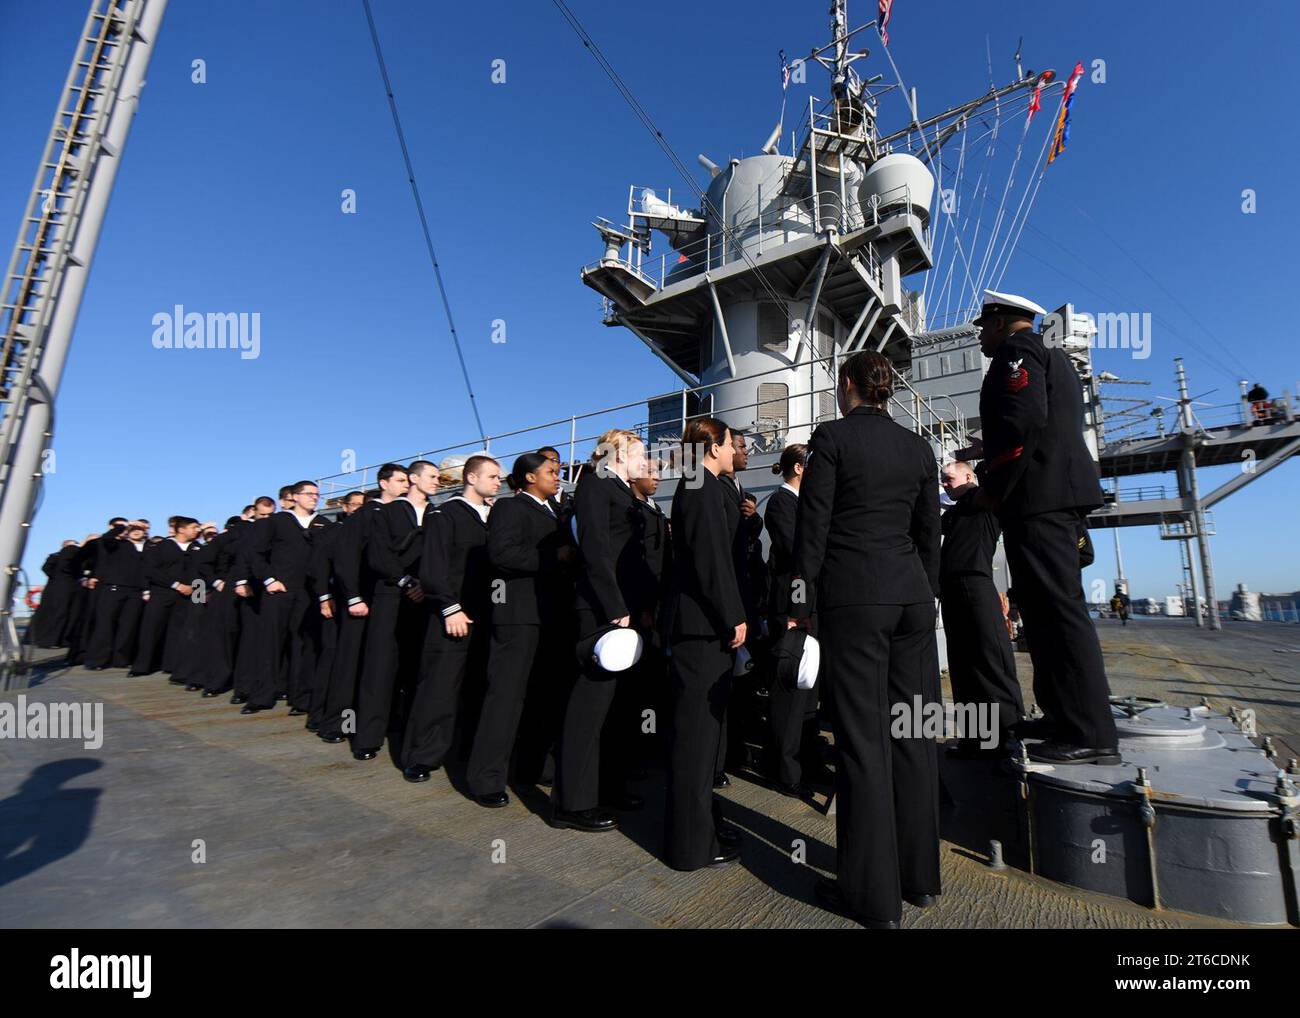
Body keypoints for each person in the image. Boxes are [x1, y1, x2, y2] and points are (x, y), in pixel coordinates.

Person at [789, 349, 942, 929]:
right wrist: (923, 594)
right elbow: (930, 531)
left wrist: (801, 608)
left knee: (861, 740)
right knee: (915, 733)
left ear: (848, 384)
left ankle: (872, 899)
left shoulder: (830, 438)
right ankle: (920, 880)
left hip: (856, 598)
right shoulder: (918, 447)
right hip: (911, 598)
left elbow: (814, 529)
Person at [964, 289, 1118, 765]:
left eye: (982, 329)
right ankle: (1062, 717)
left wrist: (994, 481)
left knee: (1058, 612)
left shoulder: (1016, 352)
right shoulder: (1056, 360)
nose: (981, 338)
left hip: (1038, 501)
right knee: (1045, 611)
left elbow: (1024, 422)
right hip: (1053, 498)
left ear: (1000, 322)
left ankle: (1091, 732)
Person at [553, 429, 652, 832]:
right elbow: (594, 547)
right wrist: (614, 607)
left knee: (616, 709)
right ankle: (571, 804)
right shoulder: (595, 482)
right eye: (640, 454)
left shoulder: (622, 490)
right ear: (619, 452)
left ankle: (608, 787)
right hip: (601, 611)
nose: (644, 463)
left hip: (624, 610)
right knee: (588, 708)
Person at [465, 452, 574, 808]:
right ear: (529, 477)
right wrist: (552, 558)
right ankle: (485, 778)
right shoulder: (511, 509)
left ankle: (533, 767)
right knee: (505, 698)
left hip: (547, 617)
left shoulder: (554, 512)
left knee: (541, 698)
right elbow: (502, 553)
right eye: (551, 471)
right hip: (517, 616)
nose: (557, 476)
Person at [665, 418, 746, 870]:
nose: (737, 448)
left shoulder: (711, 485)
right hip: (701, 626)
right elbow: (710, 557)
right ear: (713, 447)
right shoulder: (698, 484)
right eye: (732, 442)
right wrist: (732, 613)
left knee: (705, 739)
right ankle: (690, 847)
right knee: (695, 741)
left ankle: (703, 827)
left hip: (707, 624)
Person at [402, 455, 499, 781]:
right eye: (493, 476)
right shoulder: (446, 514)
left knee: (476, 687)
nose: (499, 482)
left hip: (486, 615)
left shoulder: (493, 516)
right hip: (452, 615)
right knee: (439, 687)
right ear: (471, 477)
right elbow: (433, 567)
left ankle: (461, 750)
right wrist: (449, 607)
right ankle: (421, 756)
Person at [316, 465, 409, 744]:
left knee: (381, 664)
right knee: (350, 662)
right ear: (384, 483)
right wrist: (353, 596)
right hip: (362, 600)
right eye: (401, 480)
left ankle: (383, 719)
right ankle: (336, 724)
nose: (406, 484)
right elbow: (345, 558)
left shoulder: (400, 514)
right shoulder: (366, 514)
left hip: (387, 601)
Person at [352, 461, 437, 758]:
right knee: (380, 668)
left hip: (423, 599)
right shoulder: (386, 512)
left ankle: (407, 732)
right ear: (414, 479)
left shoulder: (437, 513)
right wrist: (404, 580)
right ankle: (368, 737)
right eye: (433, 477)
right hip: (390, 595)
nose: (438, 481)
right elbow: (378, 554)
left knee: (415, 668)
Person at [938, 460, 1023, 755]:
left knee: (992, 662)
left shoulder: (980, 499)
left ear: (969, 476)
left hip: (977, 586)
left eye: (949, 478)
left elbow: (994, 479)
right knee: (962, 666)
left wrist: (983, 457)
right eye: (942, 481)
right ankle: (975, 740)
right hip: (951, 591)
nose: (945, 484)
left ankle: (1011, 737)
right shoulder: (955, 513)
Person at [234, 481, 330, 714]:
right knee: (270, 643)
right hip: (279, 591)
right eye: (309, 494)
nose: (314, 498)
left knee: (303, 646)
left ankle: (300, 698)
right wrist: (268, 579)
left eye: (317, 495)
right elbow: (255, 553)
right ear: (294, 497)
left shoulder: (323, 524)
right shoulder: (277, 522)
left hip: (308, 594)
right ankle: (261, 695)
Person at [764, 443, 822, 796]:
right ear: (798, 469)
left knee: (809, 690)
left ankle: (806, 761)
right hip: (793, 606)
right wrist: (796, 614)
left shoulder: (804, 504)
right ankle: (784, 770)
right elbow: (797, 554)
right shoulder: (782, 503)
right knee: (789, 691)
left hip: (810, 607)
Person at [130, 518, 202, 677]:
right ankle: (142, 666)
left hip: (187, 596)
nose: (198, 530)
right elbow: (151, 570)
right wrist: (175, 585)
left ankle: (171, 665)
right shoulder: (161, 547)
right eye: (194, 527)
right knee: (152, 629)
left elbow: (202, 571)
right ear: (181, 530)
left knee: (178, 632)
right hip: (163, 594)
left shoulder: (198, 548)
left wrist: (196, 592)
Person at [83, 521, 148, 670]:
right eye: (134, 529)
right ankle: (98, 660)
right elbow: (107, 538)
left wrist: (146, 590)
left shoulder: (149, 547)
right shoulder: (117, 544)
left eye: (140, 529)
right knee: (105, 625)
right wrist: (125, 525)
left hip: (136, 592)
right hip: (114, 588)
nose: (137, 531)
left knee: (128, 627)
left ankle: (120, 659)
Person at [29, 540, 83, 649]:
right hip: (59, 588)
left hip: (71, 587)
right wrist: (59, 578)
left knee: (70, 613)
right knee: (59, 612)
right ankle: (50, 639)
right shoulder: (55, 557)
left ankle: (63, 639)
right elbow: (46, 568)